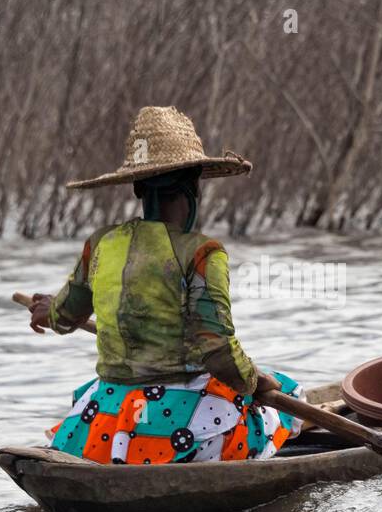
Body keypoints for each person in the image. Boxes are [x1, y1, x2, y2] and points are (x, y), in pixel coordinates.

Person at [26, 106, 304, 464]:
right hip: (176, 426)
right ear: (192, 188)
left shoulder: (101, 243)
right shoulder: (203, 252)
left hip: (108, 420)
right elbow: (217, 350)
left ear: (139, 191)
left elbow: (65, 318)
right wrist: (257, 382)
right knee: (293, 395)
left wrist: (48, 311)